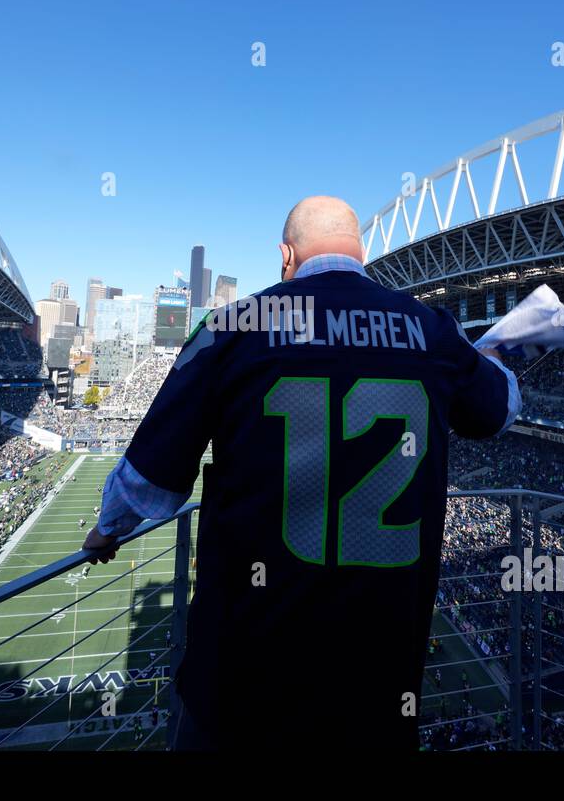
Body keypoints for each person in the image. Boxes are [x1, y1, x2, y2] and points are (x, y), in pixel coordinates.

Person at [81, 195, 519, 750]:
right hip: (377, 678)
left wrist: (107, 529)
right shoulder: (430, 328)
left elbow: (150, 476)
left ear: (286, 255)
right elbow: (501, 407)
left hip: (245, 676)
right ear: (362, 253)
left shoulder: (233, 325)